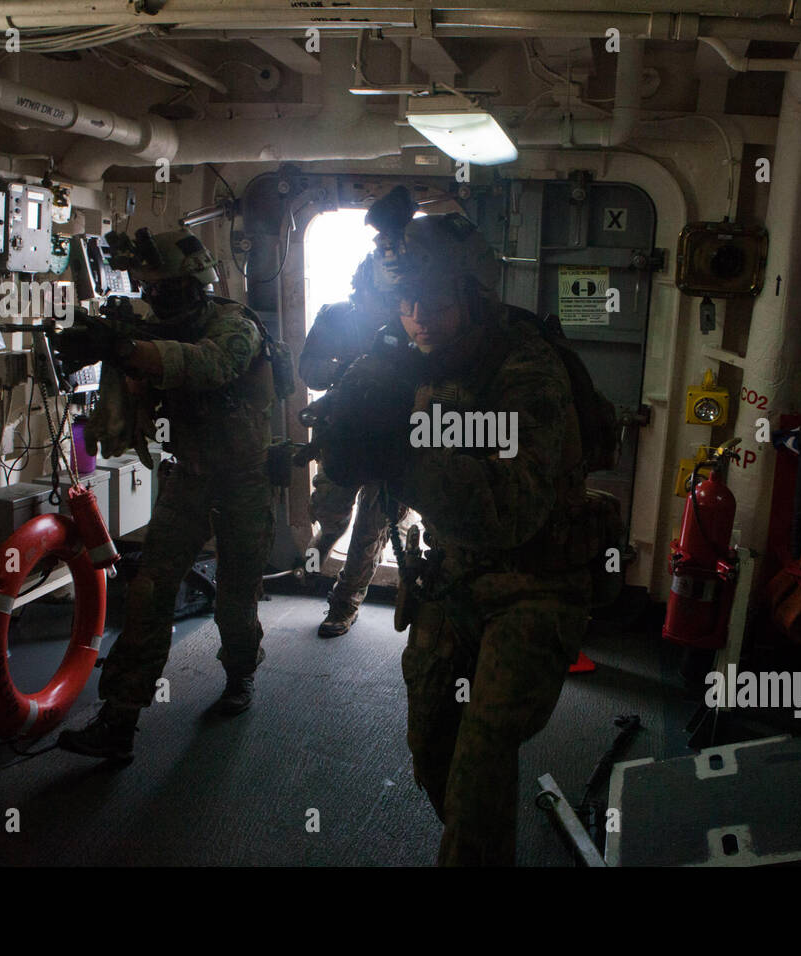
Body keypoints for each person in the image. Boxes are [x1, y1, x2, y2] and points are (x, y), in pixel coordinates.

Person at [319, 200, 594, 865]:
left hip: (534, 585)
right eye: (405, 303)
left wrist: (401, 453)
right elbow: (344, 407)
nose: (415, 320)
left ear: (474, 298)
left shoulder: (526, 372)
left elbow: (510, 509)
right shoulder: (410, 349)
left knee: (480, 764)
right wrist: (339, 434)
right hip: (454, 579)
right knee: (431, 751)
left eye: (432, 304)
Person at [53, 227, 275, 762]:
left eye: (166, 289)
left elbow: (210, 365)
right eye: (149, 289)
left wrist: (130, 348)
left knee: (236, 595)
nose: (155, 298)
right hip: (189, 477)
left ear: (195, 284)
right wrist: (108, 349)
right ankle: (120, 718)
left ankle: (240, 673)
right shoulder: (150, 328)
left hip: (242, 480)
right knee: (150, 589)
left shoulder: (235, 326)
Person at [298, 257, 406, 638]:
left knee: (370, 531)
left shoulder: (413, 316)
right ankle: (309, 564)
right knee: (329, 516)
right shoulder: (338, 316)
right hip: (342, 431)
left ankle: (344, 605)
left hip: (392, 440)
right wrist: (343, 373)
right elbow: (308, 368)